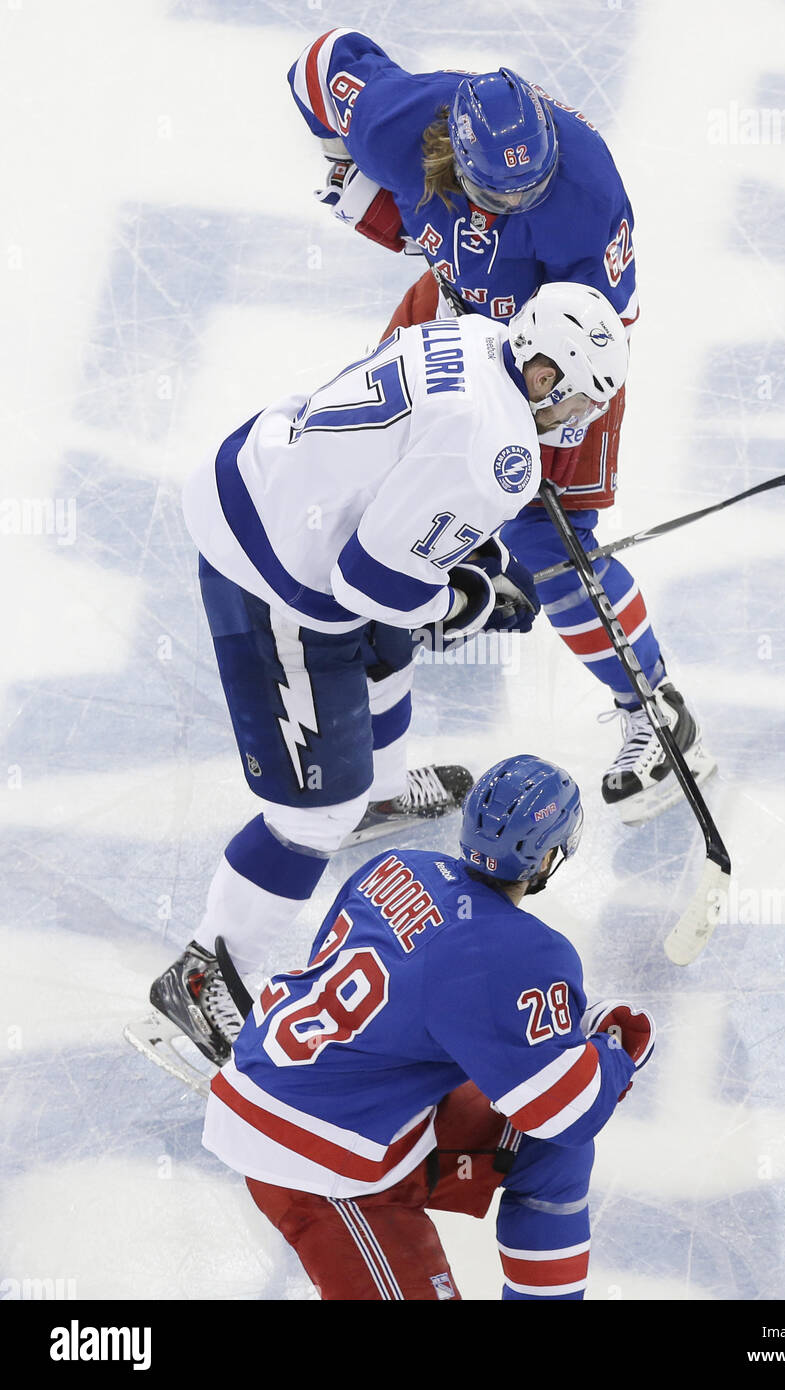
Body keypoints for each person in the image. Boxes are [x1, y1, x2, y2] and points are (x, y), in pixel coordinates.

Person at [146, 281, 629, 1069]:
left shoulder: (474, 333)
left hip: (265, 476)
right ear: (543, 375)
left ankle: (375, 793)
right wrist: (465, 598)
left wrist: (465, 565)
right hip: (272, 572)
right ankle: (205, 975)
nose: (580, 421)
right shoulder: (500, 453)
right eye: (578, 400)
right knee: (311, 818)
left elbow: (404, 472)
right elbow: (371, 583)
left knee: (385, 663)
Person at [287, 29, 716, 820]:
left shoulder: (587, 198)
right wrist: (348, 169)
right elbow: (322, 64)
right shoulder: (404, 119)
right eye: (499, 195)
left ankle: (657, 714)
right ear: (456, 147)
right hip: (449, 322)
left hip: (562, 361)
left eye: (530, 192)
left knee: (554, 548)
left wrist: (537, 428)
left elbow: (602, 334)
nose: (518, 204)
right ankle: (460, 584)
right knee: (373, 477)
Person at [201, 754, 655, 1300]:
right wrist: (617, 1045)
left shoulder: (395, 865)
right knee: (554, 1129)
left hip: (287, 1082)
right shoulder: (519, 950)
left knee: (544, 1150)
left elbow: (415, 993)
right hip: (315, 1162)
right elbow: (567, 1110)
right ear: (549, 855)